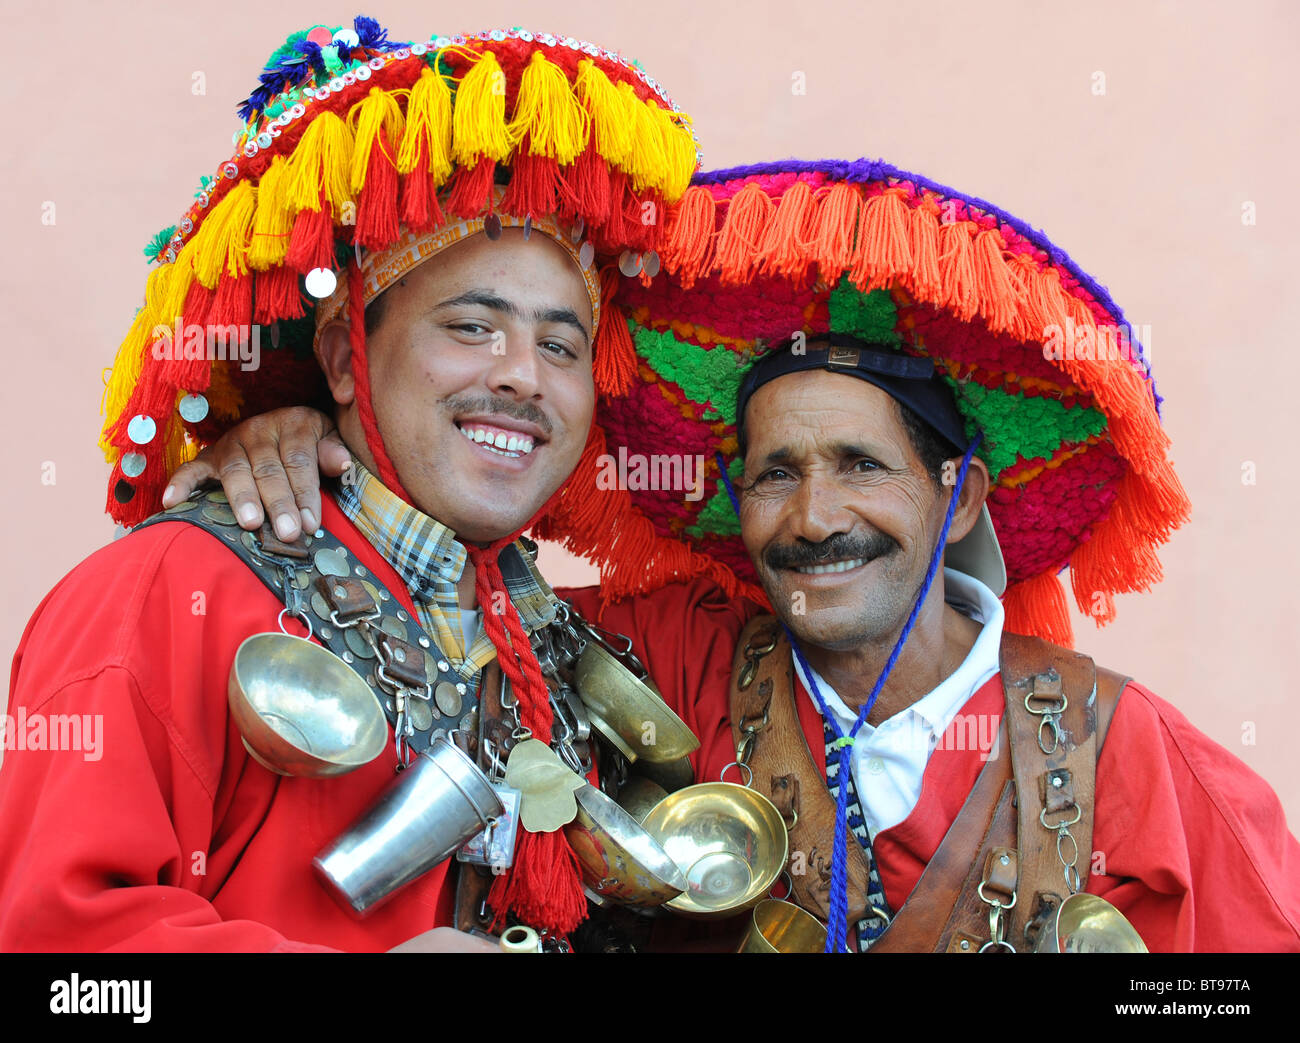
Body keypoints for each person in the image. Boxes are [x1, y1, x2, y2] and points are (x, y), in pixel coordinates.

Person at [190, 160, 1300, 952]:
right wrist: (302, 432)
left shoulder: (1134, 755)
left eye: (861, 465)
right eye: (775, 473)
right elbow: (443, 600)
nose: (814, 515)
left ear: (958, 492)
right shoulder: (668, 659)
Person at [0, 18, 701, 952]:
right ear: (343, 360)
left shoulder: (575, 652)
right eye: (472, 327)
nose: (523, 376)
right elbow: (60, 957)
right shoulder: (167, 590)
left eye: (561, 346)